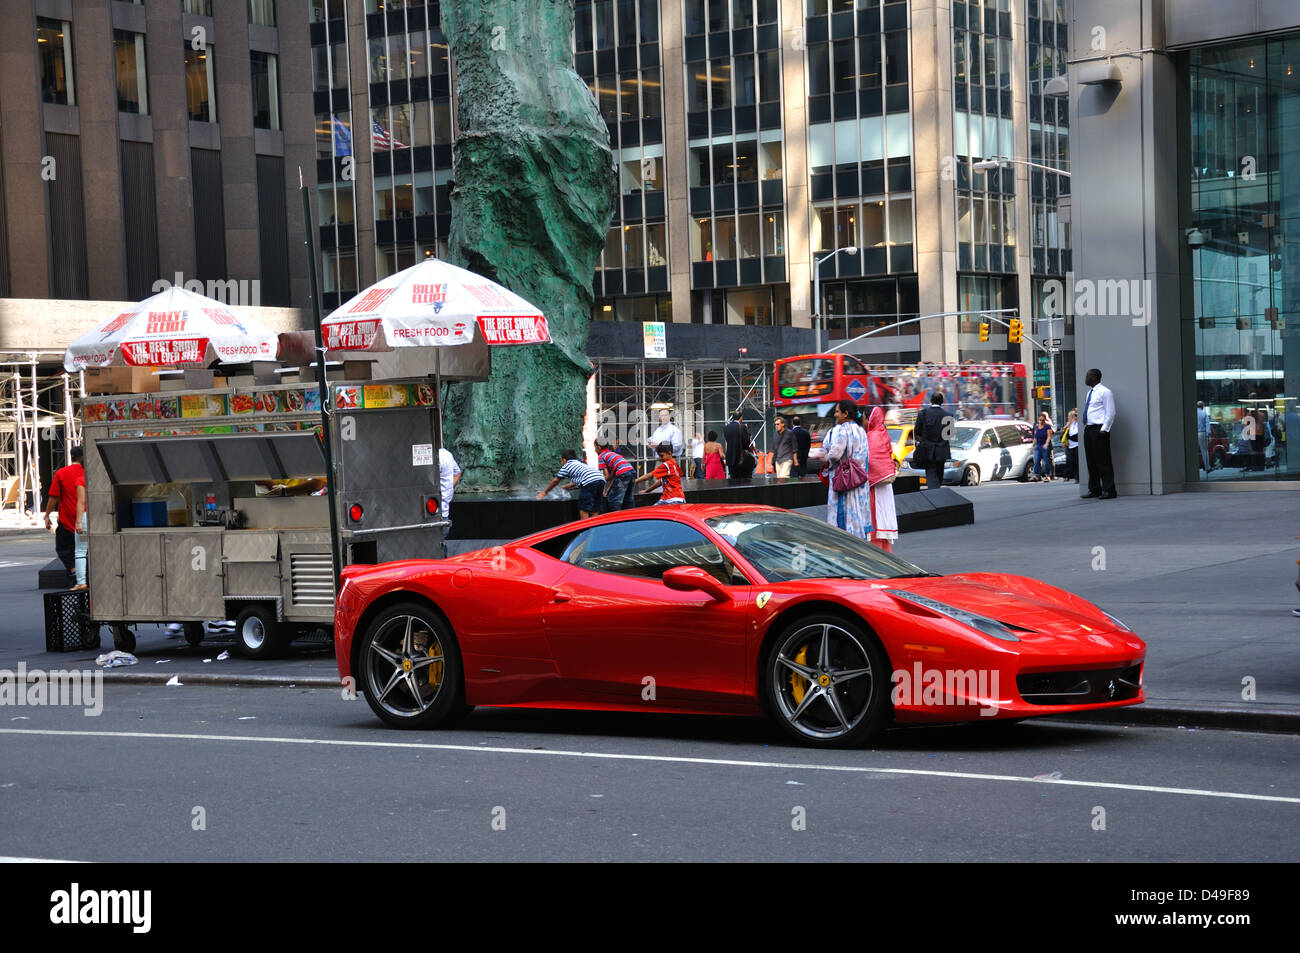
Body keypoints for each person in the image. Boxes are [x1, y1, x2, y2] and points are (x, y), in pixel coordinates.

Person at [824, 399, 871, 538]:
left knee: (843, 517)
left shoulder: (842, 430)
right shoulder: (861, 431)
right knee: (858, 514)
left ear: (845, 414)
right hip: (859, 479)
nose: (835, 414)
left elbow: (835, 454)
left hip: (845, 481)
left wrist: (825, 459)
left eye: (837, 411)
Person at [43, 445, 84, 581]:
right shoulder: (89, 473)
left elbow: (53, 498)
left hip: (68, 522)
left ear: (71, 456)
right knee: (83, 550)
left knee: (64, 549)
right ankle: (82, 575)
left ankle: (73, 570)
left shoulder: (61, 473)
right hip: (86, 520)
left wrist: (47, 515)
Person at [865, 407, 898, 552]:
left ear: (870, 419)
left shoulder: (872, 436)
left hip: (875, 484)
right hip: (885, 484)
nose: (864, 421)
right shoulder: (883, 433)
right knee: (884, 518)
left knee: (876, 520)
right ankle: (887, 553)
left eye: (865, 418)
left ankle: (878, 554)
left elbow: (872, 461)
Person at [537, 450, 606, 519]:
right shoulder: (579, 463)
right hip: (600, 479)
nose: (561, 462)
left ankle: (585, 527)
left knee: (584, 507)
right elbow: (578, 480)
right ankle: (595, 527)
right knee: (594, 507)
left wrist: (545, 492)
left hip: (589, 481)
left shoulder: (567, 466)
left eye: (561, 460)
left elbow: (555, 481)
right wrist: (564, 487)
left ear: (564, 460)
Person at [1082, 367, 1117, 499]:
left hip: (1099, 430)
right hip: (1089, 429)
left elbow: (1111, 412)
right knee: (1091, 461)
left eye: (1087, 376)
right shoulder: (1090, 393)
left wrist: (1104, 429)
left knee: (1103, 461)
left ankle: (1109, 490)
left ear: (1094, 377)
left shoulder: (1105, 392)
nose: (1085, 378)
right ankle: (1095, 489)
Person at [914, 392, 949, 491]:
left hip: (927, 450)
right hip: (942, 450)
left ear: (931, 401)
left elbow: (917, 431)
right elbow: (949, 435)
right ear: (942, 402)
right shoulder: (948, 415)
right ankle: (936, 493)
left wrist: (925, 439)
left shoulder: (922, 414)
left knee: (931, 474)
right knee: (939, 474)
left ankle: (934, 495)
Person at [596, 440, 636, 511]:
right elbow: (615, 476)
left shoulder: (601, 457)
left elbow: (607, 476)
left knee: (614, 501)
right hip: (631, 472)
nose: (594, 450)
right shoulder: (613, 454)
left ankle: (616, 520)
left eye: (595, 448)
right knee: (628, 500)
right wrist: (608, 489)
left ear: (598, 447)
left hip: (622, 474)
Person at [724, 410, 755, 479]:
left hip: (730, 458)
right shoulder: (742, 427)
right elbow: (746, 442)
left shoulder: (726, 428)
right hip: (740, 458)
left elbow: (727, 440)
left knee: (733, 478)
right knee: (742, 479)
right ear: (740, 418)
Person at [1032, 411, 1055, 481]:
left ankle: (1047, 475)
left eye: (1043, 420)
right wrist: (1033, 445)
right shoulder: (1036, 427)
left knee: (1046, 461)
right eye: (1040, 420)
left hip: (1044, 446)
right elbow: (1035, 437)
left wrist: (1046, 444)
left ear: (1045, 420)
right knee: (1036, 461)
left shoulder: (1047, 426)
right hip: (1038, 446)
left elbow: (1049, 436)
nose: (1041, 421)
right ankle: (1037, 475)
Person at [1063, 408, 1080, 482]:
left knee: (1077, 461)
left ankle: (1078, 477)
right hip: (1070, 445)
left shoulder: (1078, 424)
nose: (1068, 417)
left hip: (1076, 445)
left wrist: (1070, 437)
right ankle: (1072, 475)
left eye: (1069, 416)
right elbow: (1066, 434)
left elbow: (1076, 436)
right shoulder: (1070, 424)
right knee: (1070, 461)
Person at [1196, 401, 1211, 474]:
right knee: (1204, 451)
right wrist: (1208, 434)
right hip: (1202, 433)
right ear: (1202, 406)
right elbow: (1207, 424)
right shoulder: (1204, 413)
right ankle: (1207, 467)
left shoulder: (1193, 413)